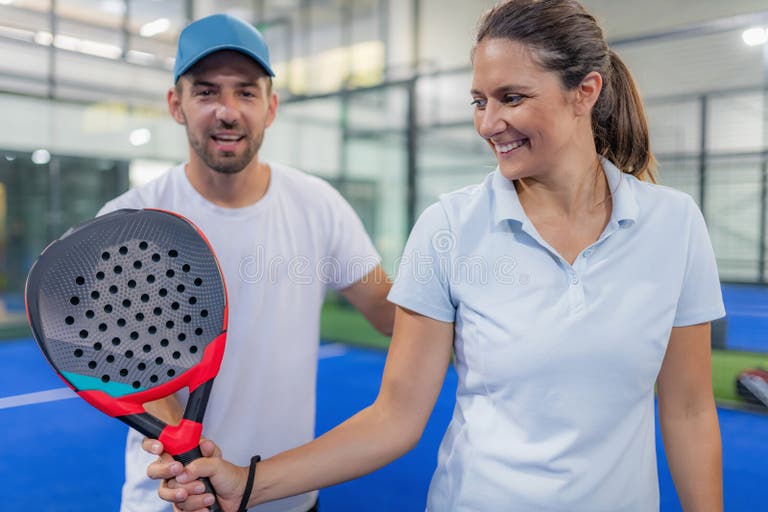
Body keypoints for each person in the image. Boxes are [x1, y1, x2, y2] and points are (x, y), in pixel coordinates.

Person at [144, 1, 725, 510]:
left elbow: (691, 411)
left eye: (511, 98)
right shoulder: (447, 228)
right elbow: (395, 416)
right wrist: (247, 484)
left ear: (586, 91)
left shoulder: (674, 224)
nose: (488, 123)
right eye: (479, 100)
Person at [97, 13, 395, 512]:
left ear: (271, 107)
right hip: (173, 502)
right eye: (207, 92)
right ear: (177, 104)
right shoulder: (128, 221)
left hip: (287, 500)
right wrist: (187, 468)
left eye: (247, 93)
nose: (228, 111)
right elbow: (136, 368)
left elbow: (390, 312)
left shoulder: (318, 205)